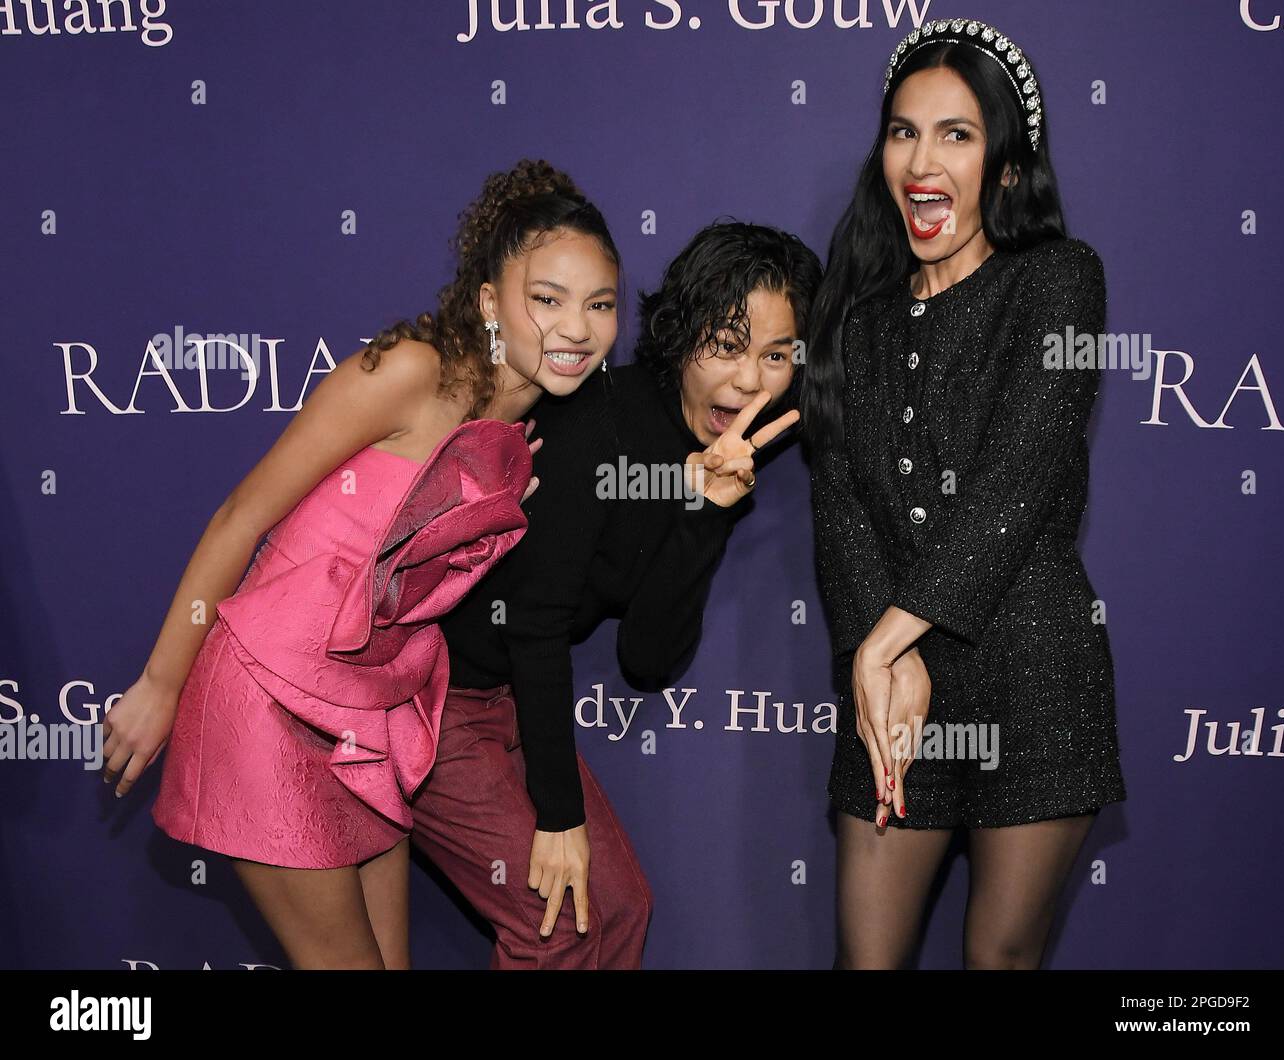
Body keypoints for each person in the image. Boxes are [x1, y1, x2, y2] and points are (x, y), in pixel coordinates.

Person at [103, 159, 621, 969]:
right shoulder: (413, 372)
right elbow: (242, 515)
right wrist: (162, 684)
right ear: (491, 302)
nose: (576, 328)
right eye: (546, 299)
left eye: (599, 305)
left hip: (368, 721)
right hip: (268, 706)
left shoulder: (520, 443)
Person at [802, 18, 1126, 969]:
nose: (922, 158)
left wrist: (886, 635)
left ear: (1008, 166)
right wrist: (886, 659)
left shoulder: (1061, 282)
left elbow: (1016, 484)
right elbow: (841, 508)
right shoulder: (855, 317)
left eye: (957, 132)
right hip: (893, 691)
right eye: (904, 131)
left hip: (1034, 677)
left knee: (998, 964)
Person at [413, 221, 823, 967]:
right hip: (426, 701)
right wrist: (559, 819)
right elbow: (532, 622)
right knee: (558, 927)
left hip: (505, 698)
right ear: (678, 334)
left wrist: (706, 512)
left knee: (624, 907)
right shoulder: (599, 421)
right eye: (727, 345)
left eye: (776, 356)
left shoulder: (715, 456)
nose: (750, 381)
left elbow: (647, 658)